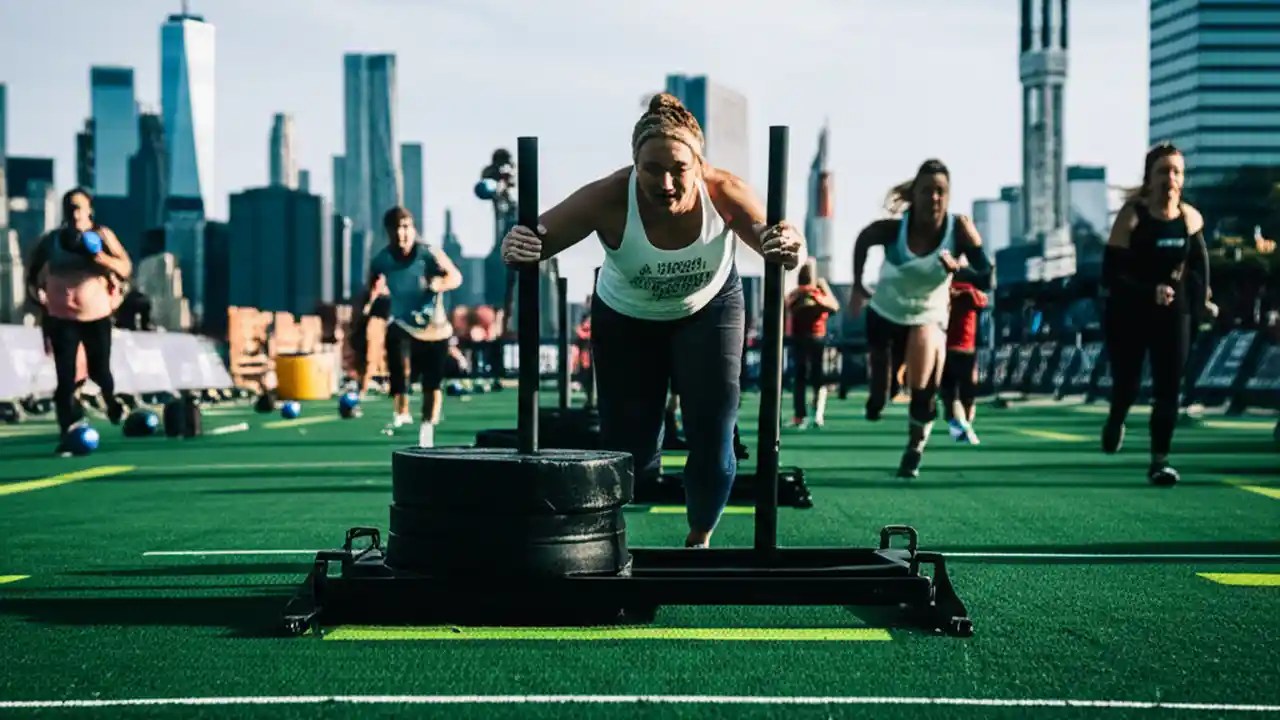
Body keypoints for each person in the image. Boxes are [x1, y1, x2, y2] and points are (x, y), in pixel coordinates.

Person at [500, 92, 804, 548]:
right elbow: (534, 240)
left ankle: (699, 538)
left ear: (698, 166)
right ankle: (612, 527)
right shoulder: (607, 197)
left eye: (679, 169)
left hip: (708, 309)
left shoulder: (724, 191)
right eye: (652, 169)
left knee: (713, 433)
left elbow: (775, 239)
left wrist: (788, 244)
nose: (666, 183)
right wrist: (516, 246)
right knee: (632, 450)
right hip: (627, 319)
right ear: (634, 165)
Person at [847, 159, 993, 478]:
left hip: (927, 314)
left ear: (948, 196)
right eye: (927, 191)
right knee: (881, 393)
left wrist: (960, 270)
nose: (934, 199)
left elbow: (987, 278)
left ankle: (914, 448)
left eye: (941, 192)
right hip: (885, 313)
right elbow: (864, 238)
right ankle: (878, 397)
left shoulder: (960, 231)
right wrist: (857, 284)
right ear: (914, 194)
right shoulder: (894, 229)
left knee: (923, 386)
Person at [1100, 142, 1211, 486]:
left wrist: (1201, 304)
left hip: (1174, 314)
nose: (1170, 178)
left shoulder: (1190, 219)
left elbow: (1200, 270)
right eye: (1163, 171)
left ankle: (1160, 460)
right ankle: (1116, 418)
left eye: (1177, 172)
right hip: (1130, 312)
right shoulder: (1132, 216)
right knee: (1128, 385)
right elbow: (1111, 274)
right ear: (1149, 178)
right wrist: (1149, 290)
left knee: (1168, 388)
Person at [24, 188, 132, 455]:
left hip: (96, 317)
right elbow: (32, 276)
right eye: (70, 208)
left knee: (100, 372)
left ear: (89, 211)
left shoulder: (103, 236)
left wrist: (101, 259)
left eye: (79, 208)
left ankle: (110, 400)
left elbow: (125, 267)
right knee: (65, 378)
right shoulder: (51, 241)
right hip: (61, 319)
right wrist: (40, 299)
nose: (74, 213)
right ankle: (68, 430)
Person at [364, 206, 463, 447]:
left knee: (432, 382)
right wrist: (368, 302)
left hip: (435, 327)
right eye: (396, 228)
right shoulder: (382, 260)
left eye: (406, 227)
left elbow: (456, 277)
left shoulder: (428, 253)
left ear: (413, 229)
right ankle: (402, 412)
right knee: (395, 349)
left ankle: (428, 424)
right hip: (404, 323)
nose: (401, 234)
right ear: (388, 232)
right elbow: (373, 282)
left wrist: (439, 283)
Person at [786, 258, 840, 428]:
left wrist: (816, 296)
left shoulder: (818, 292)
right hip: (803, 338)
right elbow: (787, 305)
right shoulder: (798, 293)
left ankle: (813, 414)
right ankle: (804, 415)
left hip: (814, 337)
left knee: (812, 376)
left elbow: (834, 307)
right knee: (803, 376)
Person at [941, 276, 989, 444]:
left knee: (964, 396)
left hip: (963, 349)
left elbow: (982, 300)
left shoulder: (968, 291)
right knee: (953, 394)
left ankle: (963, 427)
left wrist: (961, 293)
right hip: (950, 349)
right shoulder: (941, 291)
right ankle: (962, 427)